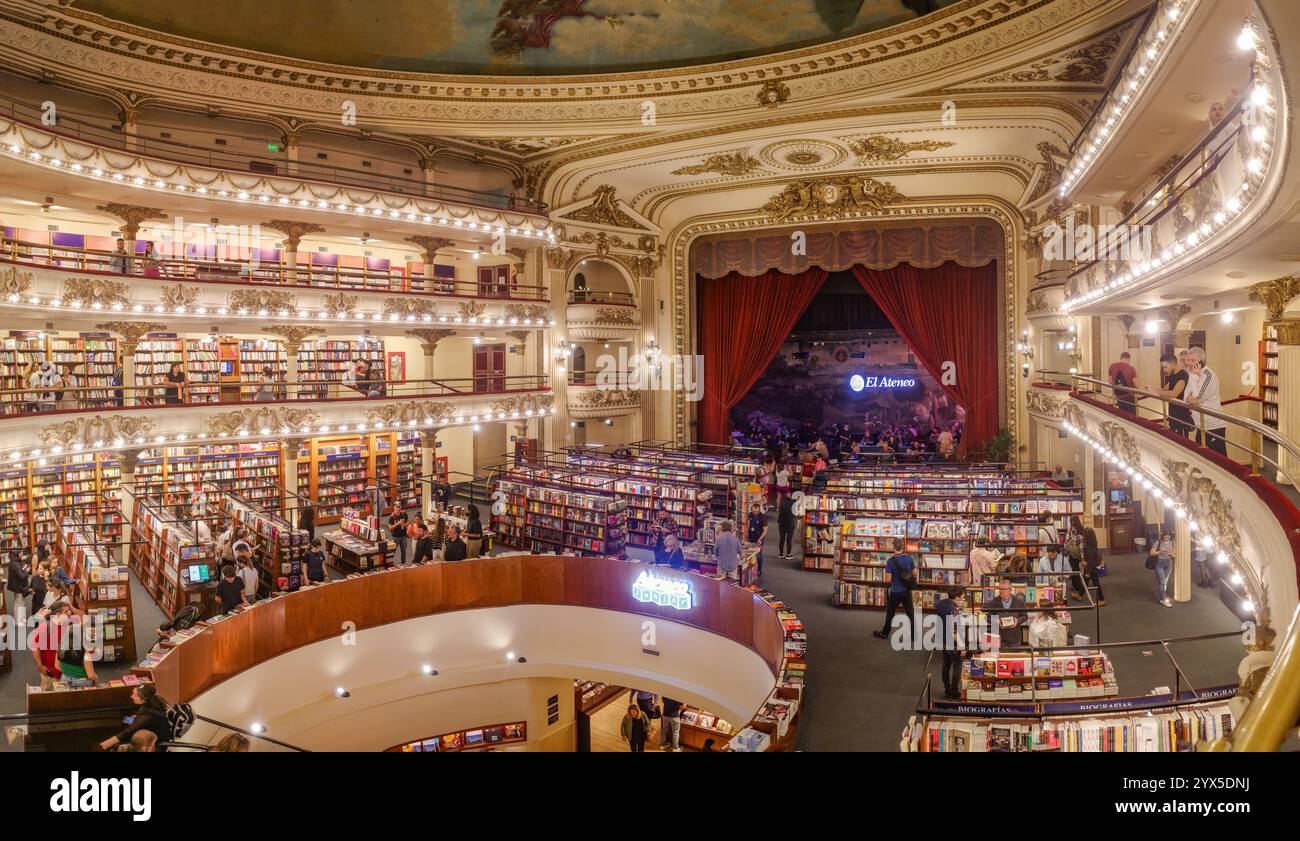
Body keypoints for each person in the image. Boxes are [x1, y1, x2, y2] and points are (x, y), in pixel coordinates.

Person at [99, 684, 171, 751]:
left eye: (135, 695)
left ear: (144, 699)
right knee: (124, 720)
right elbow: (134, 723)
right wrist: (132, 719)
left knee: (115, 745)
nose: (131, 696)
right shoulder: (152, 704)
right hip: (148, 734)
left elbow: (128, 732)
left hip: (155, 745)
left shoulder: (148, 714)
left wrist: (105, 744)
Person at [1185, 347, 1227, 456]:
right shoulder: (1192, 374)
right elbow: (1185, 397)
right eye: (1188, 360)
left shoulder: (1208, 376)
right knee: (1202, 461)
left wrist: (1194, 376)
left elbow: (1196, 399)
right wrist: (1193, 377)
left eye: (1192, 360)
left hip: (1213, 427)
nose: (1188, 363)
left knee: (1218, 463)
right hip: (1201, 425)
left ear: (1201, 362)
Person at [872, 538, 916, 641]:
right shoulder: (909, 558)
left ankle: (885, 633)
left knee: (890, 613)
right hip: (906, 591)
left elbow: (888, 580)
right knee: (910, 613)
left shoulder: (890, 561)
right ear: (902, 547)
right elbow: (915, 573)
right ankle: (914, 636)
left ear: (893, 547)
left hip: (895, 592)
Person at [935, 585, 966, 700]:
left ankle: (947, 689)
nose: (963, 596)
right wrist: (962, 646)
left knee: (946, 664)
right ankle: (953, 691)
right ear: (958, 596)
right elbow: (954, 631)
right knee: (957, 666)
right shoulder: (953, 610)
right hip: (952, 642)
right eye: (962, 595)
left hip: (942, 639)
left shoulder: (942, 603)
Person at [56, 608, 100, 688]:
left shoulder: (60, 647)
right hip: (81, 682)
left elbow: (57, 666)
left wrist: (68, 673)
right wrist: (96, 677)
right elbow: (90, 675)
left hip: (64, 680)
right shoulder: (85, 653)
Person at [30, 598, 64, 690]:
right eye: (67, 611)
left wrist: (71, 608)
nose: (70, 613)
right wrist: (40, 666)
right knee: (47, 696)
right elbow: (34, 647)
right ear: (58, 614)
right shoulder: (46, 627)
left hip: (65, 672)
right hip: (50, 671)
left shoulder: (70, 625)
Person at [985, 579, 1027, 647]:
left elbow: (1025, 616)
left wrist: (1017, 621)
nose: (1001, 591)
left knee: (1013, 657)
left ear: (1010, 589)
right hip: (999, 638)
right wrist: (996, 621)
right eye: (1000, 589)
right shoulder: (993, 602)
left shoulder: (1019, 602)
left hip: (1014, 638)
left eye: (1004, 589)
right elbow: (987, 617)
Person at [1160, 351, 1194, 437]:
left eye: (1165, 367)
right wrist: (1150, 390)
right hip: (1173, 416)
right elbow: (1164, 389)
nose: (1164, 370)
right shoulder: (1173, 375)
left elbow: (1174, 393)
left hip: (1181, 418)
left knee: (1182, 445)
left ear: (1172, 364)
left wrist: (1155, 391)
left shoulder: (1182, 374)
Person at [1081, 525, 1106, 605]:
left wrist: (1087, 573)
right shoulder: (1094, 544)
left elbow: (1090, 561)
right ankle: (1080, 594)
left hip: (1091, 568)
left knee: (1095, 583)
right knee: (1091, 582)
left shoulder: (1088, 548)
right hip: (1093, 566)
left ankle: (1101, 599)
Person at [1063, 517, 1086, 599]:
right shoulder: (1079, 530)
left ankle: (1078, 586)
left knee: (1075, 570)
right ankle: (1076, 586)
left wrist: (1082, 558)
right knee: (1074, 569)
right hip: (1075, 554)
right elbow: (1081, 546)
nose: (1071, 523)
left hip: (1074, 554)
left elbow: (1080, 545)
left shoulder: (1077, 531)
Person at [6, 549, 32, 622]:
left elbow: (19, 573)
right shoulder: (15, 564)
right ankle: (19, 620)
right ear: (17, 553)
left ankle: (17, 618)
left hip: (16, 585)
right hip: (18, 586)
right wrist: (27, 570)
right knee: (20, 603)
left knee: (17, 602)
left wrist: (23, 568)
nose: (22, 553)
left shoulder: (14, 561)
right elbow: (22, 576)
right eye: (21, 552)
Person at [1151, 529, 1175, 607]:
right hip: (1159, 563)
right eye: (1165, 536)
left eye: (1168, 536)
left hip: (1169, 563)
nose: (1167, 537)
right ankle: (1164, 599)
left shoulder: (1172, 542)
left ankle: (1161, 595)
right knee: (1162, 582)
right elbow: (1152, 553)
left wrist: (1172, 553)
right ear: (1163, 536)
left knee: (1165, 582)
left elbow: (1175, 552)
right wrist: (1160, 551)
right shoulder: (1158, 542)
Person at [745, 502, 767, 576]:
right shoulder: (750, 514)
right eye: (754, 511)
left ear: (759, 510)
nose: (755, 513)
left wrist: (760, 539)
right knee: (750, 555)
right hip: (751, 537)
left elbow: (765, 530)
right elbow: (748, 524)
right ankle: (751, 570)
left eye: (756, 511)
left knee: (759, 555)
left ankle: (759, 570)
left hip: (759, 538)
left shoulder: (763, 517)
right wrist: (746, 533)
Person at [776, 491, 797, 561]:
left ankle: (781, 554)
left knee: (781, 539)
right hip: (790, 523)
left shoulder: (781, 502)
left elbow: (779, 510)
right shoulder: (794, 502)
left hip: (781, 522)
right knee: (789, 539)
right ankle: (788, 554)